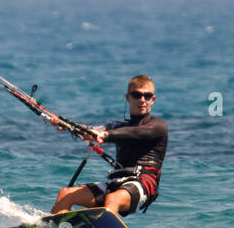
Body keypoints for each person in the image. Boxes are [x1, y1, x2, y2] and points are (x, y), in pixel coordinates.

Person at [50, 75, 167, 216]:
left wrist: (105, 135)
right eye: (137, 95)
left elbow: (135, 132)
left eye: (147, 96)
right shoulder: (116, 126)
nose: (142, 100)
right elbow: (93, 130)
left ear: (153, 99)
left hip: (142, 183)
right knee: (66, 194)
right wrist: (66, 125)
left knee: (113, 199)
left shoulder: (158, 126)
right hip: (115, 182)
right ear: (128, 97)